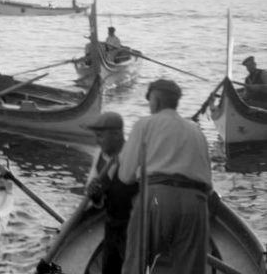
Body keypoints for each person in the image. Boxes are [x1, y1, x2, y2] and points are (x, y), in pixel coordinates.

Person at [117, 79, 212, 274]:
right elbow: (209, 184)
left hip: (156, 199)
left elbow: (126, 176)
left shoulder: (145, 124)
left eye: (149, 100)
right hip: (195, 203)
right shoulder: (196, 131)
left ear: (156, 100)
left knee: (136, 265)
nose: (149, 105)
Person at [84, 112, 139, 274]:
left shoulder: (133, 157)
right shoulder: (99, 155)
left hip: (132, 228)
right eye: (96, 136)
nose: (97, 141)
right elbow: (94, 198)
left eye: (100, 136)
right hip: (111, 225)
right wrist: (95, 196)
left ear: (117, 134)